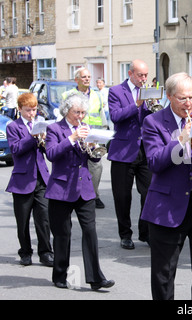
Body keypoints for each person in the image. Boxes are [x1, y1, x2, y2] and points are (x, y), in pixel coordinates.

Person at [141, 72, 192, 300]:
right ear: (168, 96)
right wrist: (181, 139)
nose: (189, 103)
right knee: (164, 274)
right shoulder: (153, 122)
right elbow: (155, 162)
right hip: (167, 206)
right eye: (183, 98)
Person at [44, 92, 114, 290]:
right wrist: (72, 138)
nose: (81, 116)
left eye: (83, 112)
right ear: (67, 111)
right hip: (61, 189)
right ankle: (59, 275)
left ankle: (96, 278)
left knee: (90, 232)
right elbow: (51, 154)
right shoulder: (54, 129)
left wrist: (95, 149)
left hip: (84, 188)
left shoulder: (86, 128)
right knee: (62, 234)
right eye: (77, 112)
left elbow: (92, 159)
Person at [107, 59, 153, 249]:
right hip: (123, 151)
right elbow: (115, 116)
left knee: (149, 192)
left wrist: (152, 106)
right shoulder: (116, 91)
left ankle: (146, 232)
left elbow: (152, 119)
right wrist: (137, 104)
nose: (144, 79)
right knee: (123, 196)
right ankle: (125, 234)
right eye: (140, 75)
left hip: (145, 149)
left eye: (146, 75)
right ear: (130, 73)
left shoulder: (149, 91)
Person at [6, 93, 53, 267]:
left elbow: (49, 152)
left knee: (44, 218)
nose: (32, 114)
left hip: (41, 178)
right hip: (22, 180)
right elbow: (16, 149)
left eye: (34, 110)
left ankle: (46, 252)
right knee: (23, 220)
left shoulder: (40, 125)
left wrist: (45, 141)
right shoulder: (13, 126)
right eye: (28, 110)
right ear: (19, 109)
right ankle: (25, 252)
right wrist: (33, 137)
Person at [63, 67, 106, 209]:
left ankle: (93, 195)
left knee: (96, 167)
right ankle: (74, 194)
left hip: (92, 136)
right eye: (84, 77)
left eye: (89, 76)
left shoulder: (96, 95)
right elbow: (62, 116)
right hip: (75, 135)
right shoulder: (68, 95)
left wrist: (104, 133)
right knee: (75, 167)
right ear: (76, 79)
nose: (87, 79)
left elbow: (101, 116)